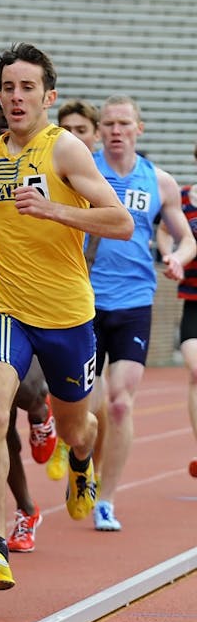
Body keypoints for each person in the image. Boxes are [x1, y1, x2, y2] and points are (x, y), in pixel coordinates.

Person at [0, 42, 133, 591]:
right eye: (8, 87)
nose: (16, 97)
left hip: (66, 312)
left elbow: (120, 222)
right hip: (2, 306)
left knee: (76, 425)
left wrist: (55, 209)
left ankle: (81, 462)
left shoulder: (66, 152)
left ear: (47, 96)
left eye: (27, 88)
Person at [87, 95, 195, 531]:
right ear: (99, 130)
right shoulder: (83, 168)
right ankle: (80, 464)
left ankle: (105, 499)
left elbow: (186, 237)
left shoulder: (160, 182)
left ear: (138, 129)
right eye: (108, 123)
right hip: (83, 299)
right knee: (84, 404)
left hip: (134, 302)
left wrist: (177, 259)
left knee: (119, 406)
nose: (116, 130)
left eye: (123, 123)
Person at [0, 82, 55, 555]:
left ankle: (45, 414)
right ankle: (25, 510)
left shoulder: (52, 154)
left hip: (47, 298)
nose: (5, 108)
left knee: (31, 393)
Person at [47, 97, 105, 482]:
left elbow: (101, 234)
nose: (72, 138)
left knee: (105, 401)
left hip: (91, 299)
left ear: (95, 137)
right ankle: (60, 436)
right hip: (39, 296)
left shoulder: (94, 178)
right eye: (65, 130)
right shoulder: (50, 163)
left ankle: (78, 454)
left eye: (81, 131)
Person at [159, 152, 197, 478]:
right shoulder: (183, 198)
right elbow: (165, 231)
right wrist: (170, 256)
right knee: (196, 370)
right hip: (194, 300)